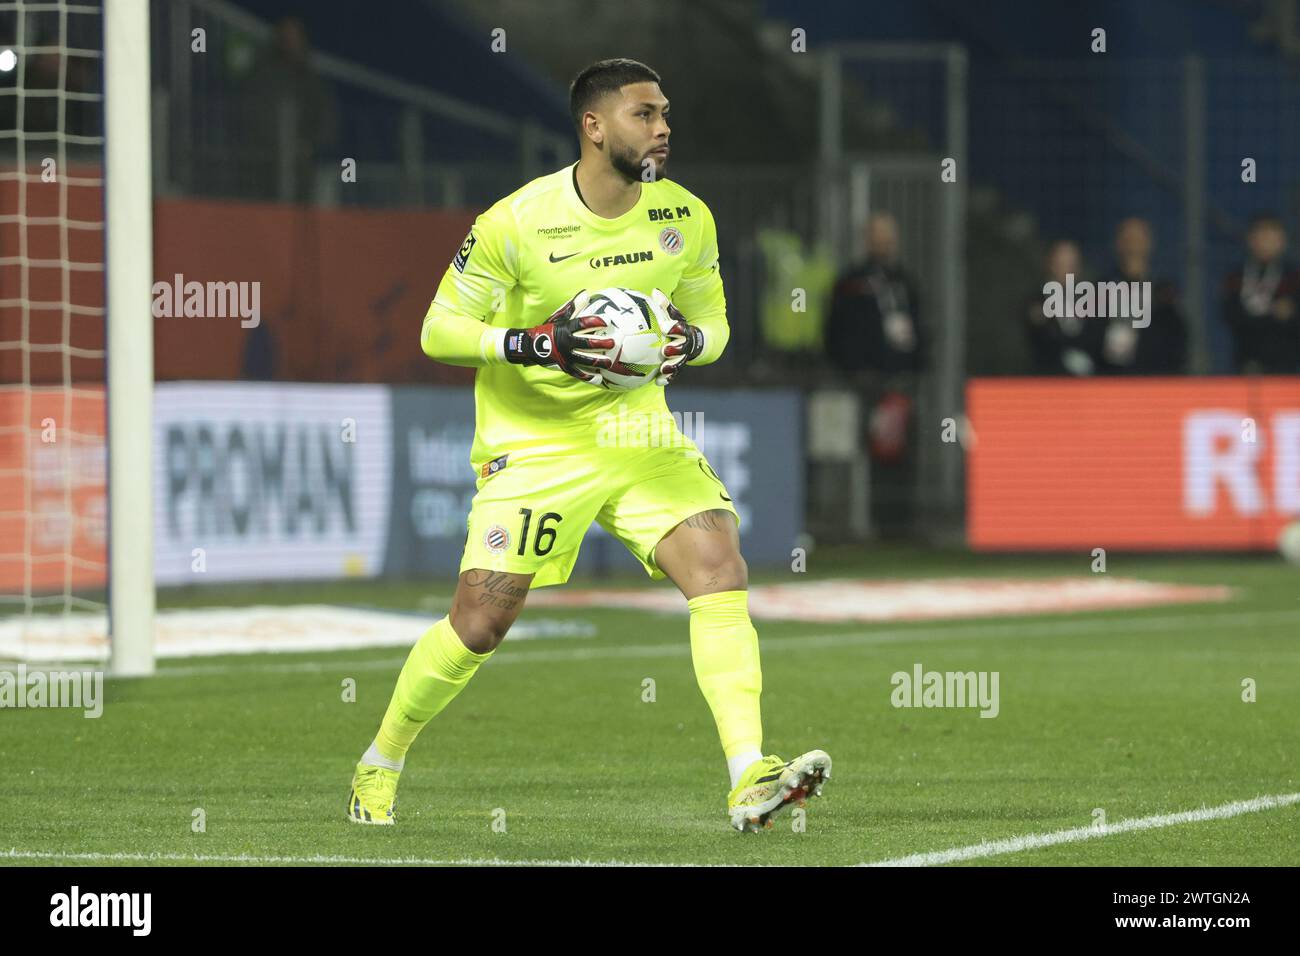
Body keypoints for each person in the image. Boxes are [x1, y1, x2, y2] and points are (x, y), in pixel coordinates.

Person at [346, 58, 830, 833]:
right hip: (535, 443)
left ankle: (749, 773)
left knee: (718, 568)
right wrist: (533, 345)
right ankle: (382, 761)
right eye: (645, 114)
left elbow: (716, 331)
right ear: (594, 126)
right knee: (479, 625)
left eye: (666, 112)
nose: (663, 127)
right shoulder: (515, 221)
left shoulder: (686, 219)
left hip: (637, 431)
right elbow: (439, 330)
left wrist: (680, 343)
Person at [1098, 218, 1187, 374]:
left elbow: (1176, 338)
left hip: (1154, 380)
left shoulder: (1165, 292)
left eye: (1138, 240)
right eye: (1128, 240)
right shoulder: (1101, 290)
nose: (1133, 246)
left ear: (1149, 243)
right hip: (1111, 380)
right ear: (1118, 244)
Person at [1221, 215, 1300, 374]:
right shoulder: (1237, 277)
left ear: (1282, 241)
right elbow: (1230, 314)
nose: (1266, 242)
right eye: (1262, 236)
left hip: (1287, 363)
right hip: (1247, 360)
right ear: (1251, 239)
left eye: (1272, 237)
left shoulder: (1293, 276)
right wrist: (1273, 313)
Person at [1024, 239, 1106, 375]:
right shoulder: (1035, 304)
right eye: (1061, 262)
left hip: (1088, 384)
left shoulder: (1090, 302)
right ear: (1050, 263)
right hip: (1049, 382)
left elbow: (1097, 339)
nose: (1067, 268)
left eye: (1072, 263)